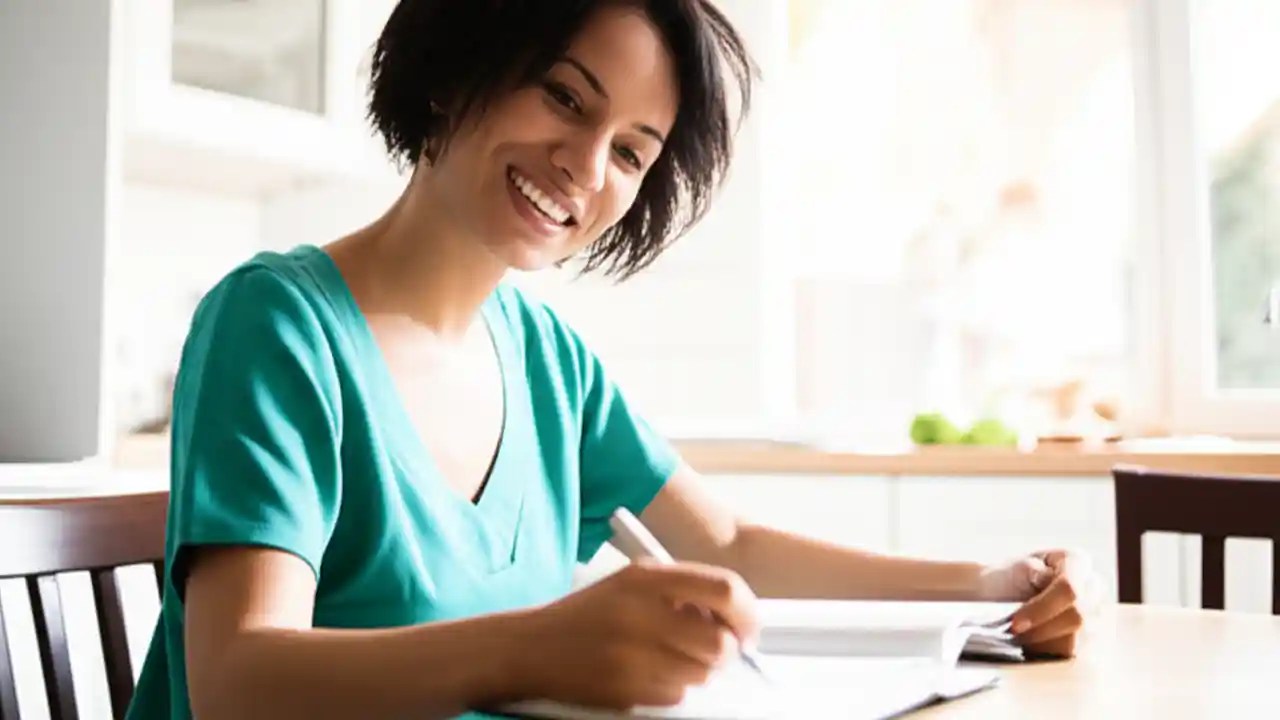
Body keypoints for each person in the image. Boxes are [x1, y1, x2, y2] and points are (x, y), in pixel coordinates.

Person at [126, 1, 1103, 718]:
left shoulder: (548, 362)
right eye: (563, 96)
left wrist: (985, 588)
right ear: (454, 62)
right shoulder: (277, 326)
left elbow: (725, 548)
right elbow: (237, 684)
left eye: (632, 152)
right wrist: (539, 648)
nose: (585, 170)